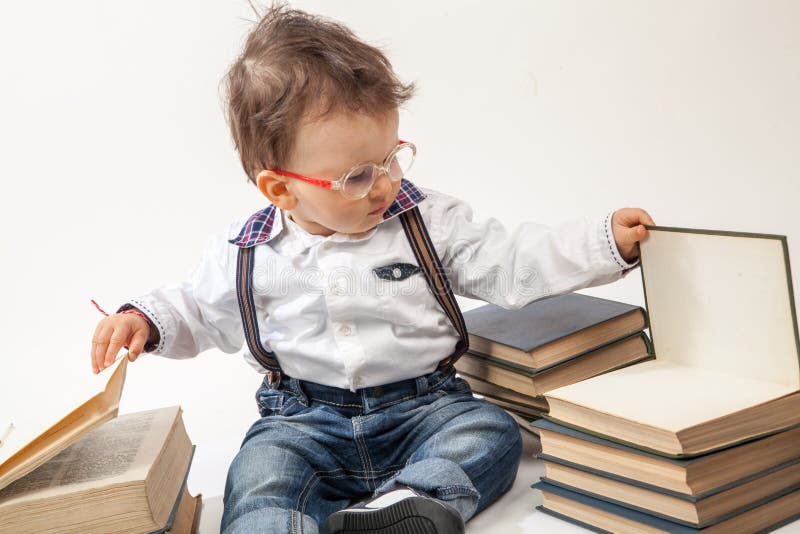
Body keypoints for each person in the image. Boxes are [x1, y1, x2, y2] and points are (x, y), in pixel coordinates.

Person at [89, 5, 654, 534]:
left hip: (425, 408)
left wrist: (602, 244)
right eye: (358, 175)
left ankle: (406, 505)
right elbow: (196, 307)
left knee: (491, 433)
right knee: (260, 473)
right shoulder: (247, 253)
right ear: (281, 188)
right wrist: (147, 320)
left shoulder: (423, 220)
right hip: (302, 422)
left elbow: (510, 262)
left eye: (391, 157)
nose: (385, 184)